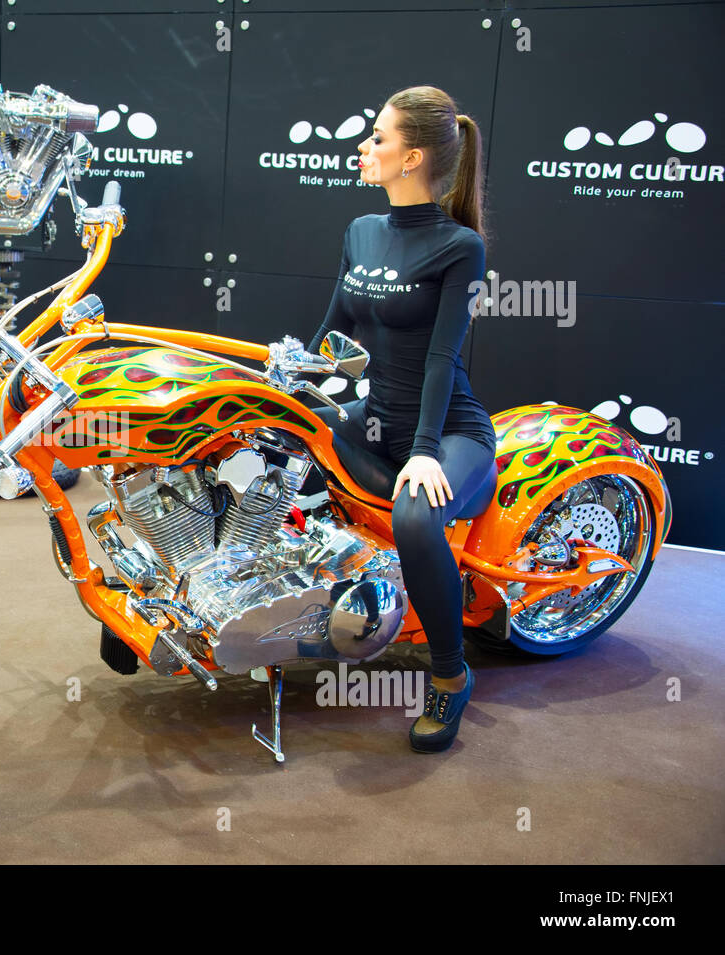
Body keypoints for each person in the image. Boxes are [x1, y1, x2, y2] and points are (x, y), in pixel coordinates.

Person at [303, 86, 497, 753]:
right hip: (380, 417)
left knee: (415, 514)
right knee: (280, 432)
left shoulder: (459, 247)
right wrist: (283, 384)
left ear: (412, 156)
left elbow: (443, 358)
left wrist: (422, 452)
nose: (365, 147)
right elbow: (332, 335)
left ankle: (449, 674)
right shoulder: (361, 232)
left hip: (449, 433)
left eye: (378, 138)